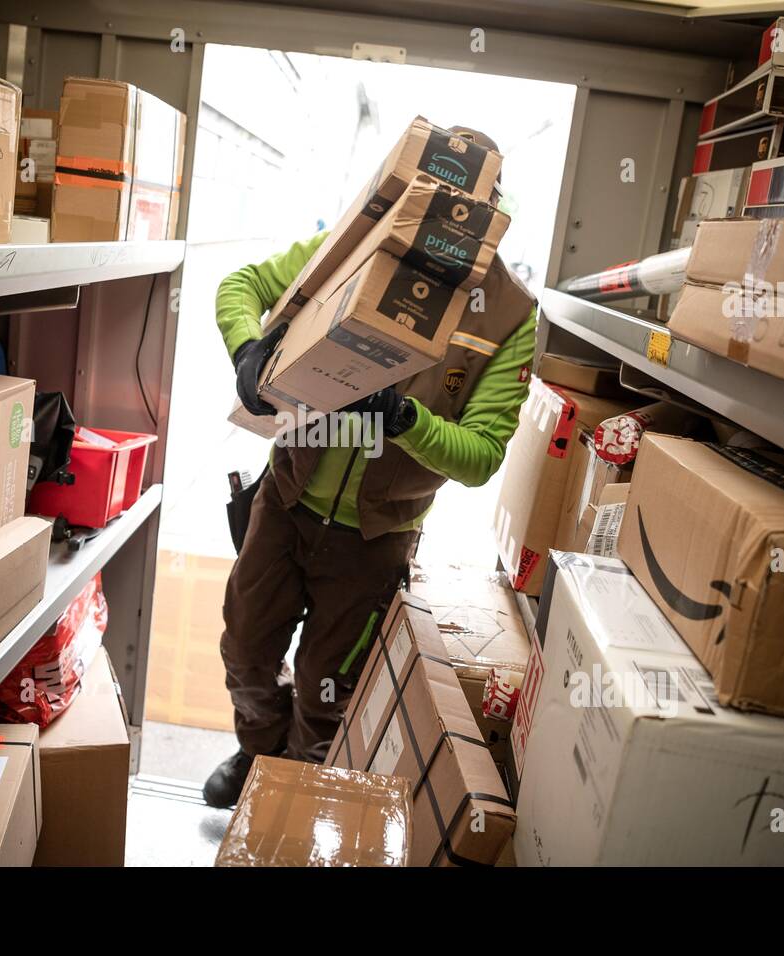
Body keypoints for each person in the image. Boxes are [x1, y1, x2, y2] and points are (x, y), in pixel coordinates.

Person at [204, 127, 536, 808]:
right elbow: (241, 284)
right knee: (245, 652)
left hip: (375, 539)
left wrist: (405, 418)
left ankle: (281, 804)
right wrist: (247, 351)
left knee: (327, 686)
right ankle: (257, 749)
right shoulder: (359, 246)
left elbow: (480, 459)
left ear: (491, 217)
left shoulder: (511, 317)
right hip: (287, 501)